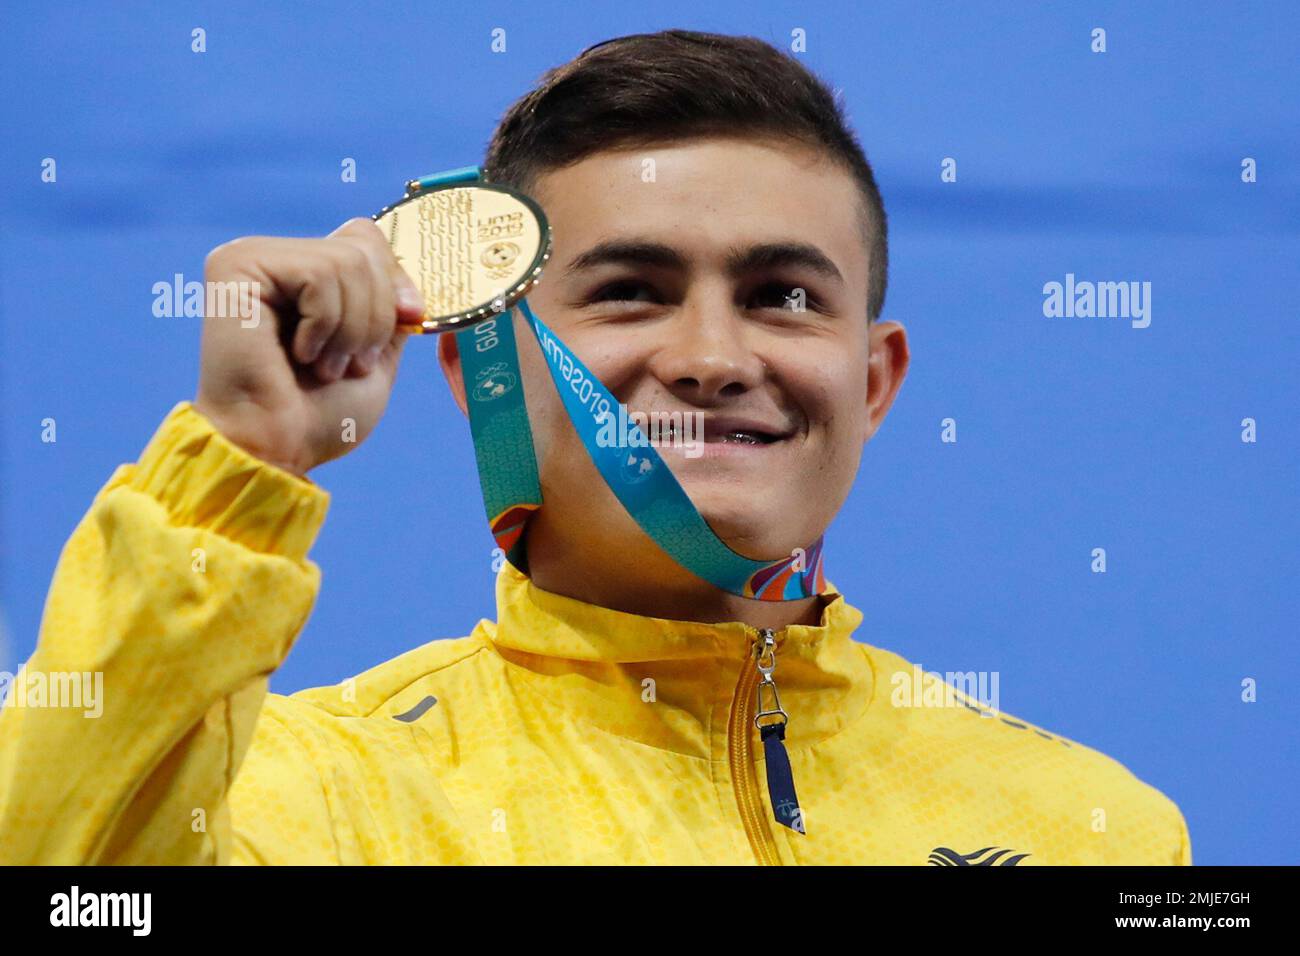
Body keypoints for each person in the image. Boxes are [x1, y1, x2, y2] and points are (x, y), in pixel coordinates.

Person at [0, 30, 1190, 865]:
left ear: (872, 381)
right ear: (479, 373)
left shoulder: (1095, 826)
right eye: (631, 290)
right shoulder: (299, 800)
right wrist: (240, 465)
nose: (714, 354)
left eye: (781, 294)